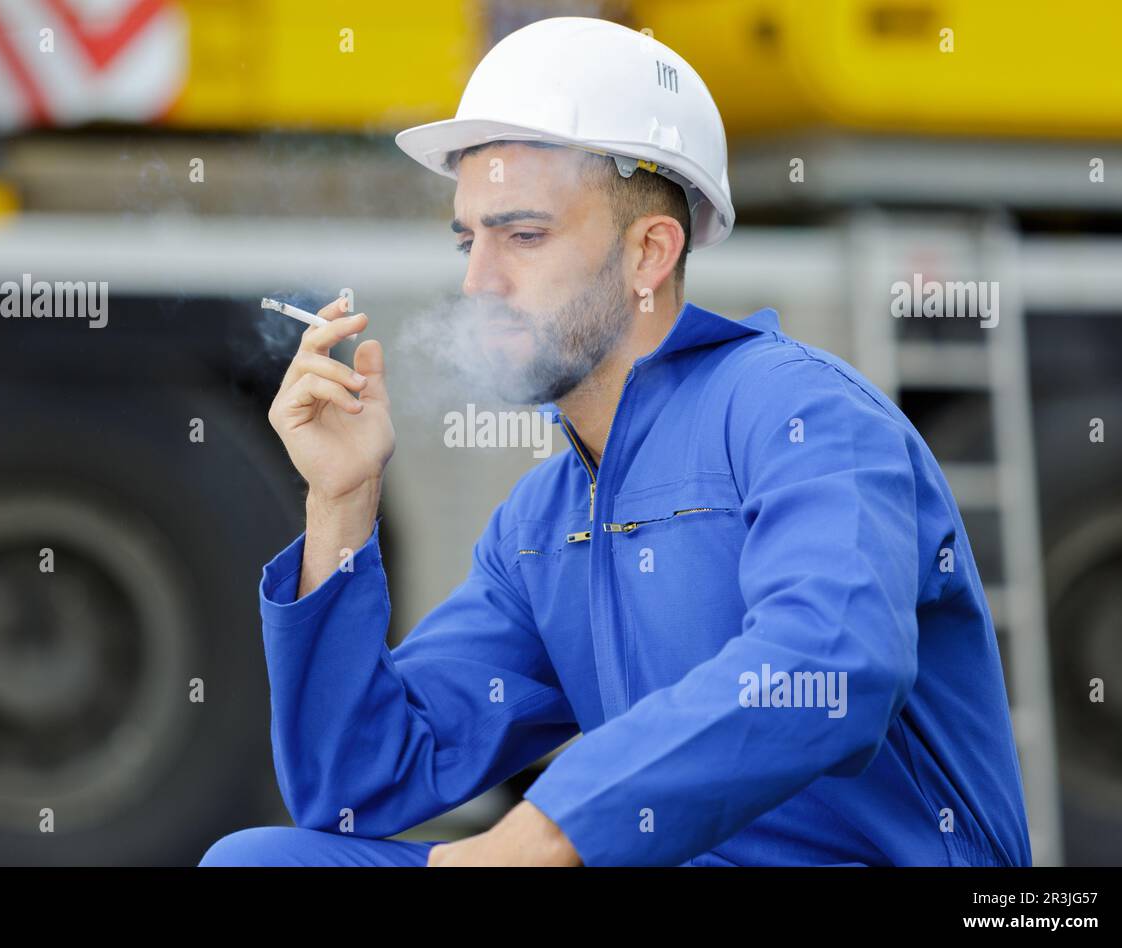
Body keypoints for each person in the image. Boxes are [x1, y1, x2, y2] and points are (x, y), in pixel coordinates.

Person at [200, 16, 1031, 867]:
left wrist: (553, 827)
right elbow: (358, 787)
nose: (477, 280)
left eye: (522, 235)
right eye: (468, 238)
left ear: (649, 254)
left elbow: (835, 662)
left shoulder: (803, 415)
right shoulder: (545, 523)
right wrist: (340, 505)